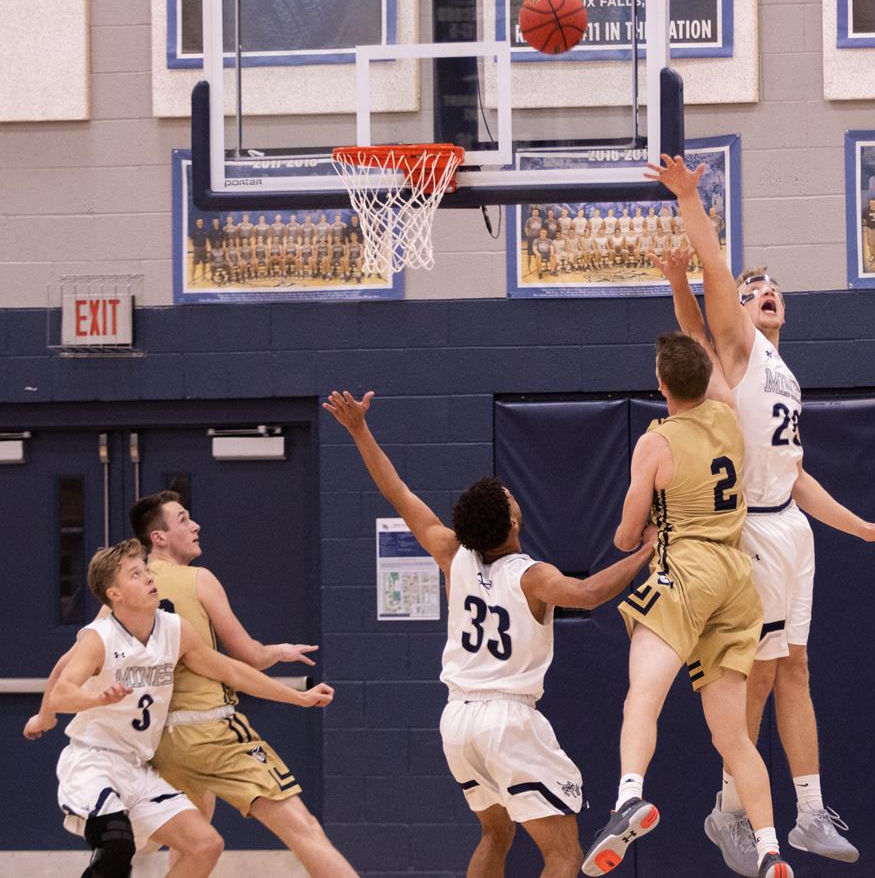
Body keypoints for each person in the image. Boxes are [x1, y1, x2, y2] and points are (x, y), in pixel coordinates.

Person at [649, 155, 875, 875]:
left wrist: (861, 527)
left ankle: (807, 812)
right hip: (752, 533)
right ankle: (732, 807)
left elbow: (795, 477)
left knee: (793, 670)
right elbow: (711, 282)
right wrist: (689, 200)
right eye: (752, 288)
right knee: (762, 677)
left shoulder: (776, 371)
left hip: (791, 527)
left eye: (774, 288)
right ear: (738, 309)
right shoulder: (738, 353)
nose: (764, 292)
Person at [323, 390, 656, 878]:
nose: (511, 494)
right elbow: (587, 594)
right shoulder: (532, 575)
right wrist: (645, 553)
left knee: (496, 833)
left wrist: (358, 430)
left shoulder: (450, 553)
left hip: (457, 721)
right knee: (563, 852)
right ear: (514, 520)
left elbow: (397, 490)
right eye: (507, 497)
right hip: (507, 720)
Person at [578, 331, 792, 878]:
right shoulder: (728, 417)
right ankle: (769, 849)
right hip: (739, 581)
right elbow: (712, 365)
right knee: (734, 736)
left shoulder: (656, 442)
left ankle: (629, 797)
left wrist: (648, 525)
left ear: (660, 384)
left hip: (687, 570)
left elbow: (627, 536)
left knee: (642, 698)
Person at [43, 538, 333, 878]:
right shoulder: (98, 638)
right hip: (93, 759)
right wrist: (96, 698)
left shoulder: (173, 629)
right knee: (116, 846)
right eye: (136, 574)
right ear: (114, 594)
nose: (150, 578)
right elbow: (61, 694)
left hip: (138, 766)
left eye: (147, 570)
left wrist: (295, 697)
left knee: (205, 846)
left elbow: (230, 670)